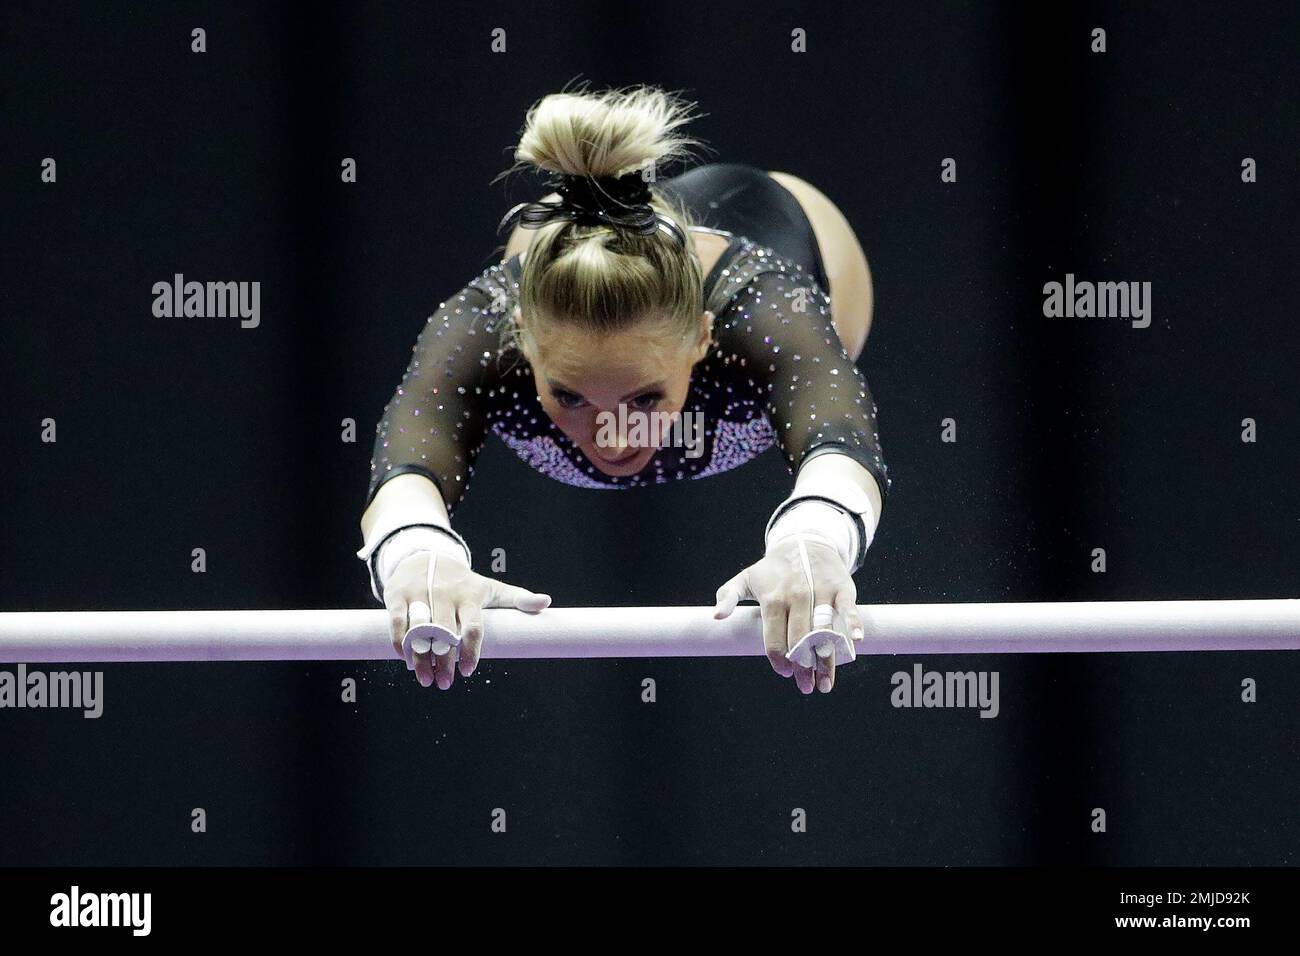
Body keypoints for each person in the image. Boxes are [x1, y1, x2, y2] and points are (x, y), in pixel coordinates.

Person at [357, 84, 891, 695]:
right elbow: (408, 463)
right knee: (543, 261)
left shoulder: (763, 313)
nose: (611, 433)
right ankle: (594, 215)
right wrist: (417, 552)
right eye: (572, 397)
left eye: (644, 398)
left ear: (700, 339)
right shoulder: (486, 326)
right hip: (577, 281)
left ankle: (617, 223)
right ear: (524, 340)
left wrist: (815, 539)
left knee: (830, 353)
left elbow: (841, 439)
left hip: (772, 220)